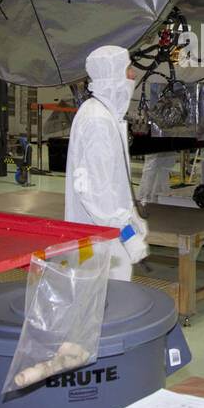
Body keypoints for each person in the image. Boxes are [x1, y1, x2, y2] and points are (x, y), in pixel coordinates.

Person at [63, 45, 148, 280]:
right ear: (113, 75)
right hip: (100, 239)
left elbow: (113, 182)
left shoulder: (105, 115)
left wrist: (132, 217)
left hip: (107, 235)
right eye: (128, 68)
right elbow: (95, 191)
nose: (133, 74)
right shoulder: (97, 122)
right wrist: (127, 233)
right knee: (108, 304)